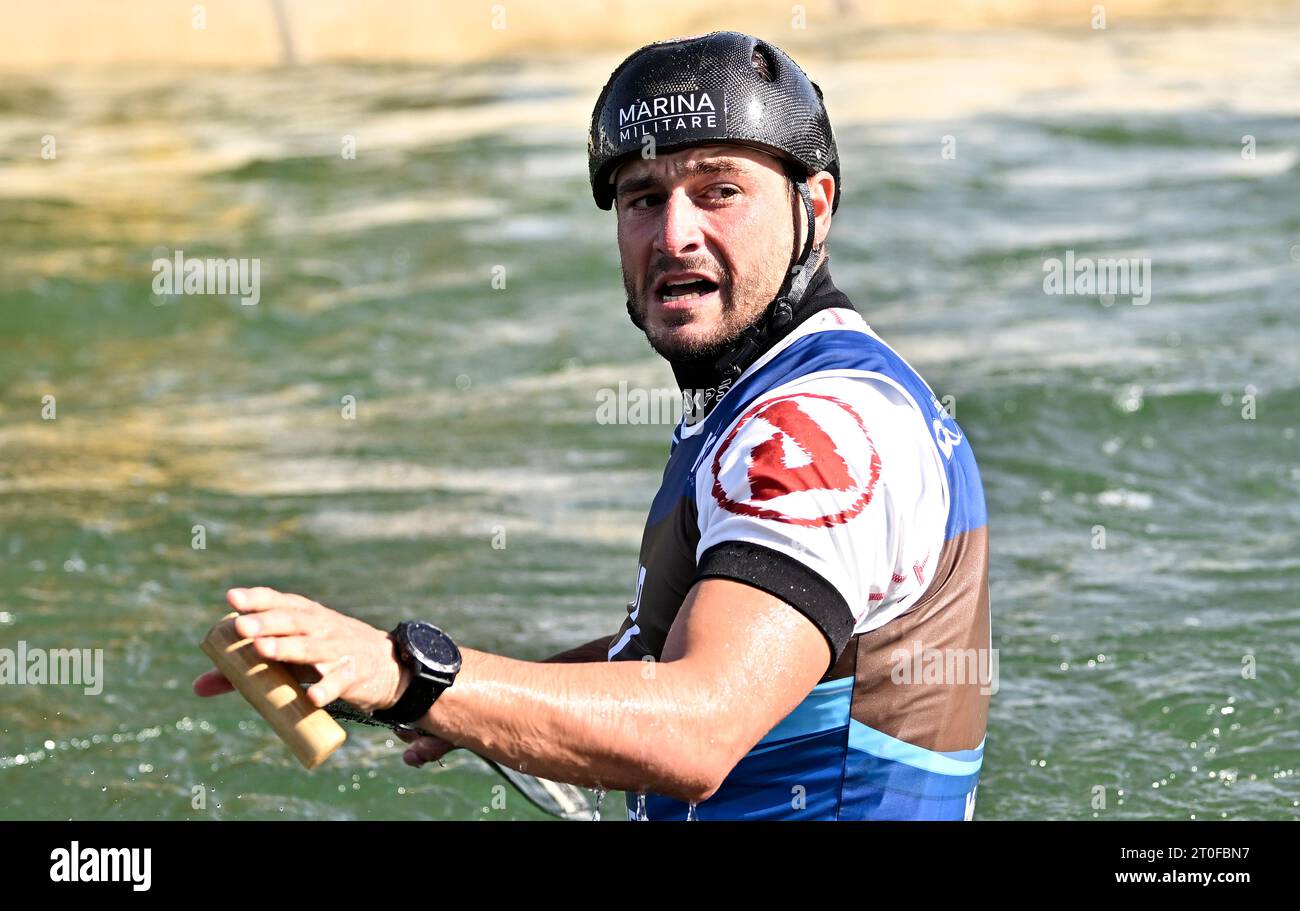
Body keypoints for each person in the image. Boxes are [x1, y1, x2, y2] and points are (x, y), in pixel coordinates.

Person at [194, 30, 992, 821]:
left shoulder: (816, 432)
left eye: (719, 190)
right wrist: (412, 688)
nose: (675, 234)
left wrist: (415, 677)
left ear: (811, 207)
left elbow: (697, 728)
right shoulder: (791, 392)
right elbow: (662, 661)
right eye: (644, 197)